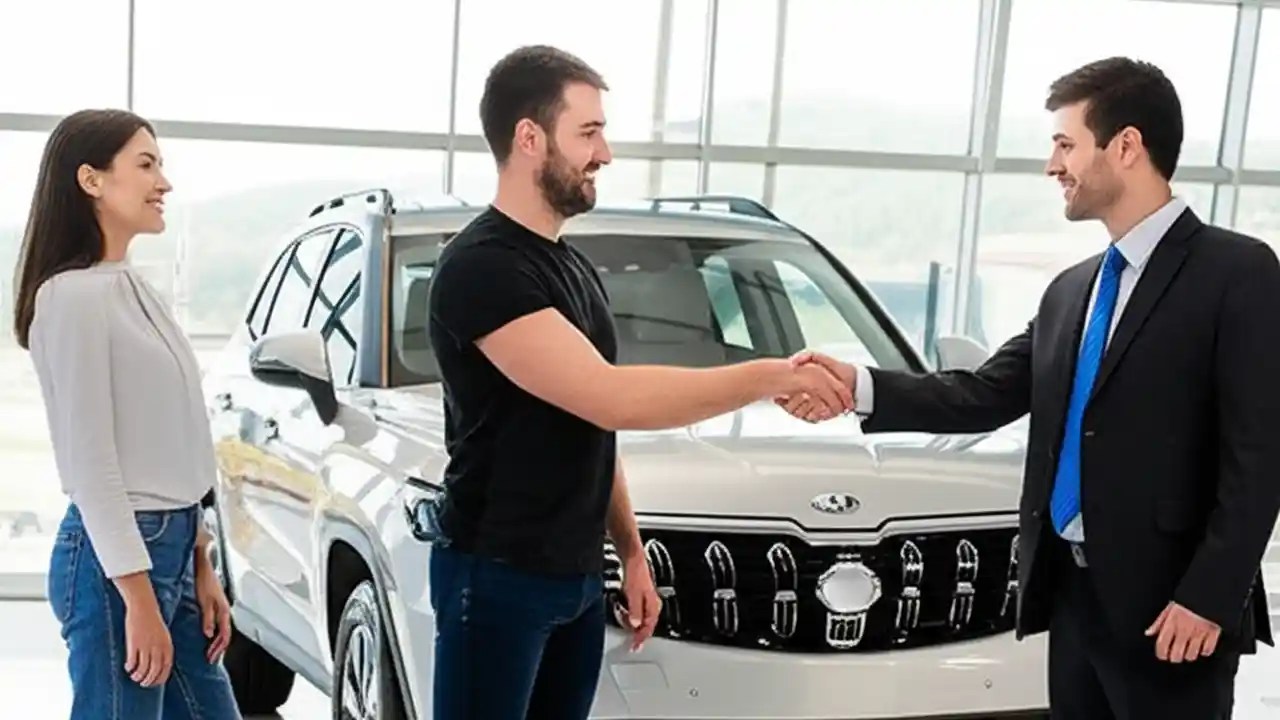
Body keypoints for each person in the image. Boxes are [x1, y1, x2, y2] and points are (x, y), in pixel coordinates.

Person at [782, 56, 1280, 719]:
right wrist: (859, 386)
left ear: (1126, 145)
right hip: (1073, 601)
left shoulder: (1237, 272)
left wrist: (1209, 596)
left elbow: (1261, 455)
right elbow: (983, 394)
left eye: (1066, 143)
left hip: (1174, 613)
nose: (1052, 166)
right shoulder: (1071, 290)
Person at [424, 45, 851, 719]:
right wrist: (770, 375)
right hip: (499, 574)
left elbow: (594, 424)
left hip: (577, 577)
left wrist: (630, 549)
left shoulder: (570, 266)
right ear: (529, 139)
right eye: (588, 132)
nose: (607, 153)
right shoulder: (483, 268)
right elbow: (611, 394)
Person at [12, 109, 241, 720]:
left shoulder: (132, 288)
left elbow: (178, 440)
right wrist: (138, 599)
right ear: (90, 180)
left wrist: (201, 562)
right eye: (146, 164)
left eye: (159, 164)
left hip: (171, 546)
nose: (163, 181)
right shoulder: (70, 298)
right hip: (119, 561)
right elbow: (90, 462)